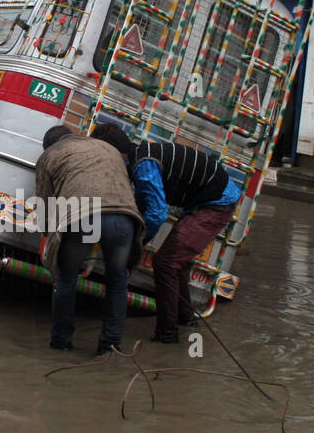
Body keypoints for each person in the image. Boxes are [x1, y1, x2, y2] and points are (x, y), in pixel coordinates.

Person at [91, 122, 241, 344]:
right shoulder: (140, 158)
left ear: (114, 152)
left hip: (216, 204)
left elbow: (158, 213)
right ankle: (186, 320)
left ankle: (167, 335)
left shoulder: (143, 166)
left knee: (165, 263)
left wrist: (138, 243)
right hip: (209, 200)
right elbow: (146, 203)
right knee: (177, 262)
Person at [34, 125, 144, 355]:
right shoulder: (108, 148)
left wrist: (49, 236)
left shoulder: (50, 155)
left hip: (82, 217)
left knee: (66, 280)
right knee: (117, 281)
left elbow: (44, 204)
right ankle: (110, 346)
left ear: (50, 145)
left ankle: (60, 344)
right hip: (125, 219)